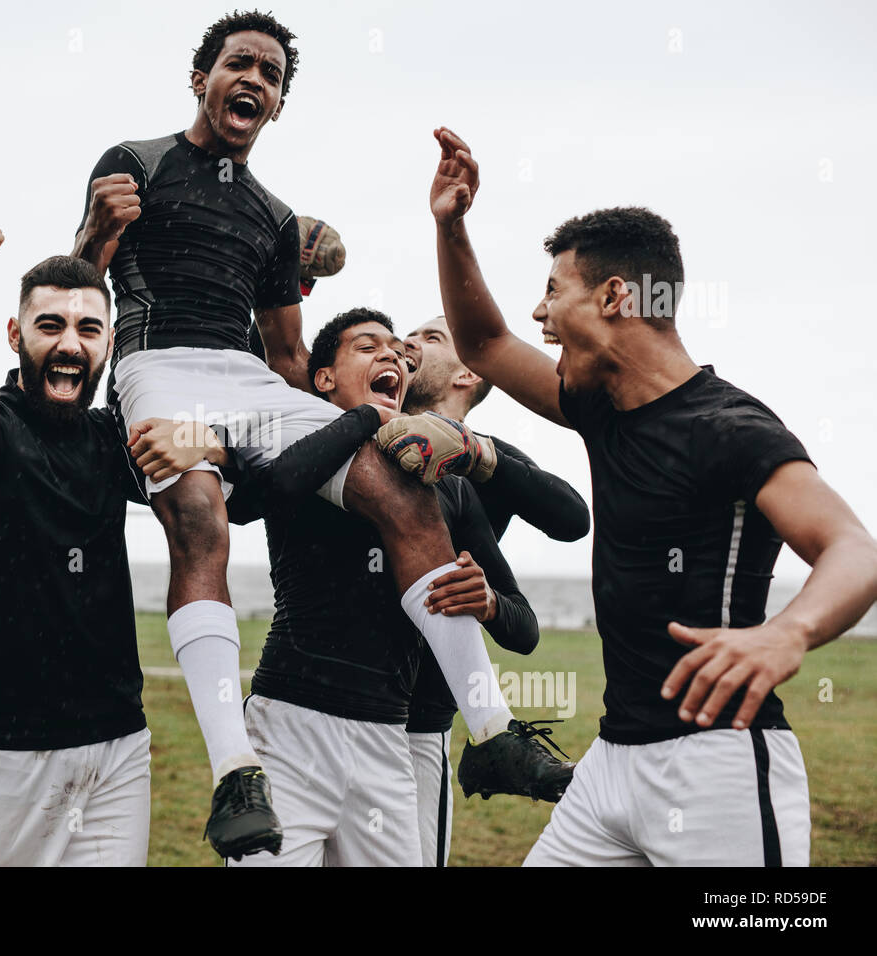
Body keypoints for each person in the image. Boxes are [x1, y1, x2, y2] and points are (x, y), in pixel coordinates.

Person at [75, 9, 550, 862]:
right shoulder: (133, 164)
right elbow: (79, 290)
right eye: (238, 64)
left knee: (400, 488)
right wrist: (96, 233)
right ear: (202, 79)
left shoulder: (274, 218)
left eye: (271, 74)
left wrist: (338, 438)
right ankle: (236, 774)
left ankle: (493, 728)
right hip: (160, 364)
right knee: (201, 517)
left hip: (248, 377)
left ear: (279, 104)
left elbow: (290, 353)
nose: (253, 79)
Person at [426, 125, 877, 865]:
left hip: (718, 766)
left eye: (551, 292)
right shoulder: (601, 410)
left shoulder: (729, 427)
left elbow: (854, 549)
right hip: (609, 765)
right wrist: (452, 225)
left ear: (613, 296)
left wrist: (784, 635)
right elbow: (482, 345)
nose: (539, 317)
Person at [0, 215, 225, 866]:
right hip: (3, 752)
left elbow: (237, 487)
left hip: (116, 748)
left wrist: (211, 441)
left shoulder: (113, 440)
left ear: (108, 342)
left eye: (87, 329)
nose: (70, 344)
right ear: (14, 335)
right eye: (50, 326)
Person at [220, 309, 566, 866]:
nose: (393, 355)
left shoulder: (449, 486)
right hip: (289, 721)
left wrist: (488, 601)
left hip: (392, 734)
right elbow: (260, 494)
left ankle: (496, 733)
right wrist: (360, 417)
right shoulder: (308, 451)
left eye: (399, 352)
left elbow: (523, 624)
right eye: (367, 347)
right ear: (324, 379)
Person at [401, 315, 590, 866]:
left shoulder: (485, 467)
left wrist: (476, 453)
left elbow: (572, 518)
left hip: (423, 718)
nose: (409, 341)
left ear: (468, 373)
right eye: (406, 334)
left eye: (433, 336)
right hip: (324, 697)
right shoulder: (352, 431)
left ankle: (495, 737)